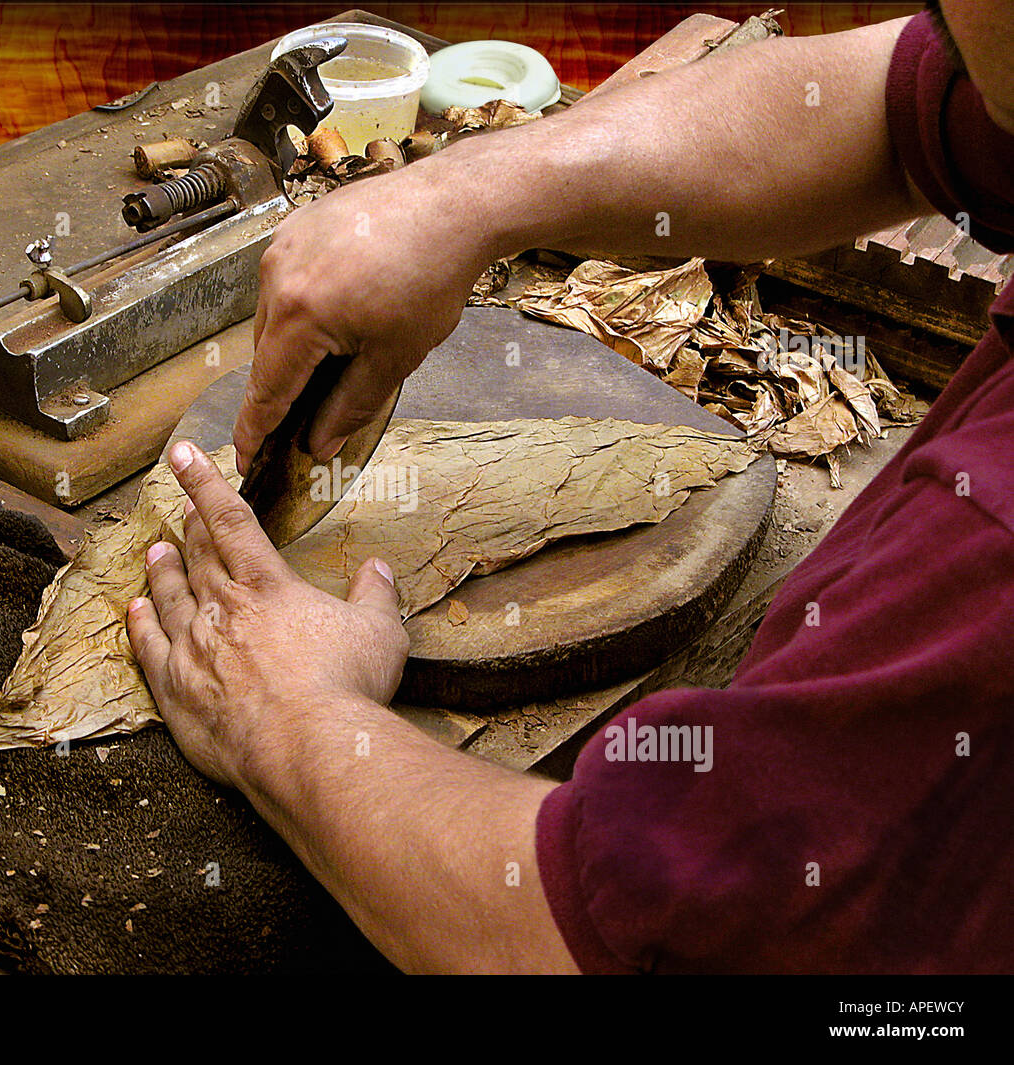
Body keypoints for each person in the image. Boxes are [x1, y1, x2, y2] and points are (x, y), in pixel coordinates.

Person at [125, 3, 1014, 973]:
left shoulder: (986, 550)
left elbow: (581, 939)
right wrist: (456, 199)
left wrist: (288, 721)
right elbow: (885, 105)